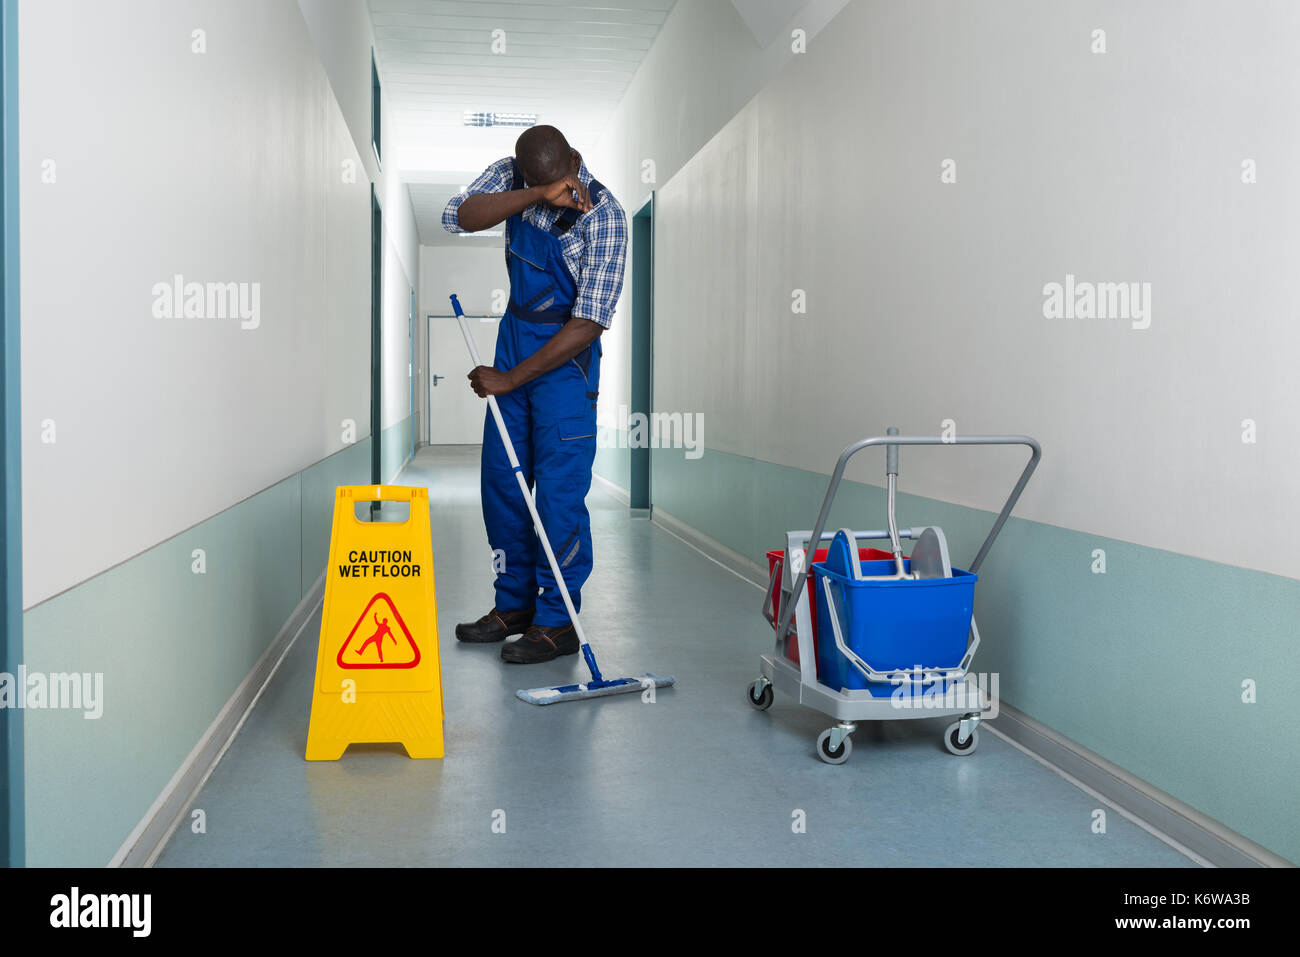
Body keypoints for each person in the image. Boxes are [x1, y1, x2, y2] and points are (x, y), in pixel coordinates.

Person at [442, 125, 627, 664]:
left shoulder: (605, 216)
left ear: (575, 156)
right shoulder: (511, 176)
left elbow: (590, 319)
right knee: (502, 486)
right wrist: (535, 193)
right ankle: (514, 606)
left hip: (565, 360)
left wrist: (510, 379)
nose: (553, 187)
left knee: (558, 494)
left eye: (557, 178)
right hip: (514, 335)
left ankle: (557, 620)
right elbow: (458, 216)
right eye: (534, 179)